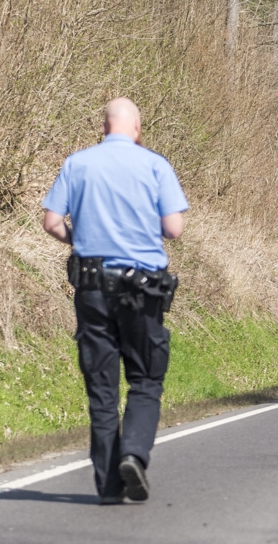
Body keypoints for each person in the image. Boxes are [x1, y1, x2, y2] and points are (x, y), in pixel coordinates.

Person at [41, 98, 187, 504]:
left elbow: (52, 222)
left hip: (91, 288)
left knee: (101, 387)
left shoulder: (77, 164)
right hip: (143, 291)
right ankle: (134, 454)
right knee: (145, 379)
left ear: (103, 128)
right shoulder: (155, 165)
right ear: (137, 129)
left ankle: (107, 486)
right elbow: (174, 228)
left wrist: (81, 241)